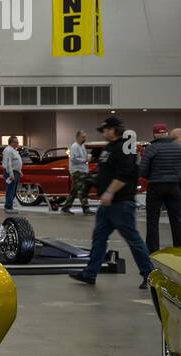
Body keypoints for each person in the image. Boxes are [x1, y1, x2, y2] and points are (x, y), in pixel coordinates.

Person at [69, 116, 154, 289]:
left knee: (133, 240)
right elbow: (104, 171)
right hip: (107, 206)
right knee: (99, 239)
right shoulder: (109, 148)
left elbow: (125, 174)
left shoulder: (125, 148)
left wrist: (109, 191)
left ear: (114, 129)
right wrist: (92, 181)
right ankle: (90, 274)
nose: (103, 133)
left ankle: (149, 275)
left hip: (121, 203)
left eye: (106, 130)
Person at [141, 122, 181, 253]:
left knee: (152, 220)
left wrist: (152, 176)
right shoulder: (178, 147)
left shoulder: (151, 148)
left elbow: (143, 170)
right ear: (167, 133)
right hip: (174, 187)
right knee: (177, 219)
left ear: (155, 134)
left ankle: (152, 250)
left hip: (155, 186)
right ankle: (179, 248)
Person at [61, 130, 91, 214]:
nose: (85, 138)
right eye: (83, 137)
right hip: (77, 171)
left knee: (74, 191)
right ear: (77, 137)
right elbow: (73, 159)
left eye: (85, 137)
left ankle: (66, 207)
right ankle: (86, 209)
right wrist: (85, 160)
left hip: (82, 170)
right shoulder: (75, 146)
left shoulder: (82, 146)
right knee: (82, 190)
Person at [0, 136, 23, 212]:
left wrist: (19, 171)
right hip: (10, 172)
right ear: (11, 142)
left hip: (15, 172)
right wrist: (11, 175)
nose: (17, 144)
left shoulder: (13, 150)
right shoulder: (8, 150)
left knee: (13, 190)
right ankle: (8, 207)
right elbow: (8, 164)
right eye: (15, 142)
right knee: (10, 190)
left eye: (17, 142)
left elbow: (15, 163)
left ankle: (9, 206)